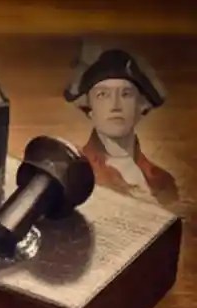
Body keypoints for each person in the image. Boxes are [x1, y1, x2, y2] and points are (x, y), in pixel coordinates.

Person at [64, 48, 178, 206]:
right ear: (90, 109)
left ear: (141, 107)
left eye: (126, 94)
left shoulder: (162, 180)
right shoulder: (75, 176)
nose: (115, 106)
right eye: (102, 95)